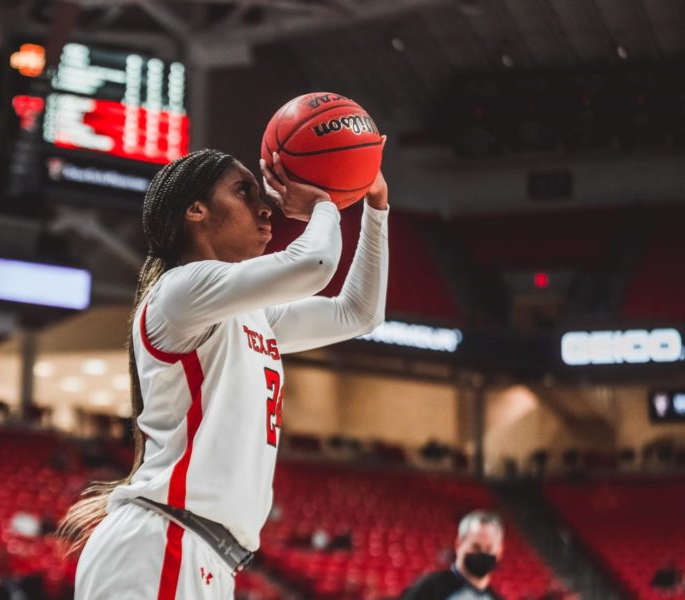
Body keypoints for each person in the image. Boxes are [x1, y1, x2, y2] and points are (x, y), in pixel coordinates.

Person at [59, 146, 389, 599]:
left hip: (198, 550)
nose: (266, 206)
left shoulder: (249, 315)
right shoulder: (179, 289)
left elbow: (359, 313)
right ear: (196, 210)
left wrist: (376, 208)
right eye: (244, 192)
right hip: (164, 543)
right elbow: (314, 264)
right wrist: (323, 201)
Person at [400, 511, 505, 600]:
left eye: (488, 549)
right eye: (475, 547)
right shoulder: (429, 588)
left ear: (500, 551)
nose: (482, 553)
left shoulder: (495, 598)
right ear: (458, 544)